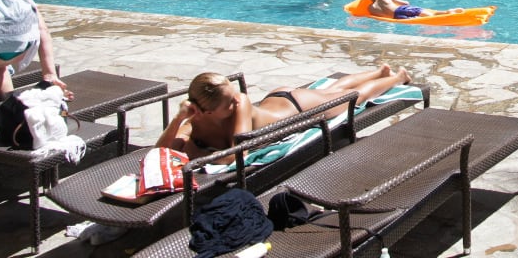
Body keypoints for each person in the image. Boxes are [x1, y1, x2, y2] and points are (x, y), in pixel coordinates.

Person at [156, 66, 411, 161]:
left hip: (296, 107)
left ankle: (397, 76)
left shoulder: (241, 102)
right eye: (229, 102)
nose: (237, 98)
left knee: (353, 97)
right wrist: (178, 119)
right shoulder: (194, 119)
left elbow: (238, 154)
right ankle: (379, 72)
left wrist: (197, 153)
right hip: (279, 103)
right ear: (208, 112)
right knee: (332, 90)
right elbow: (159, 152)